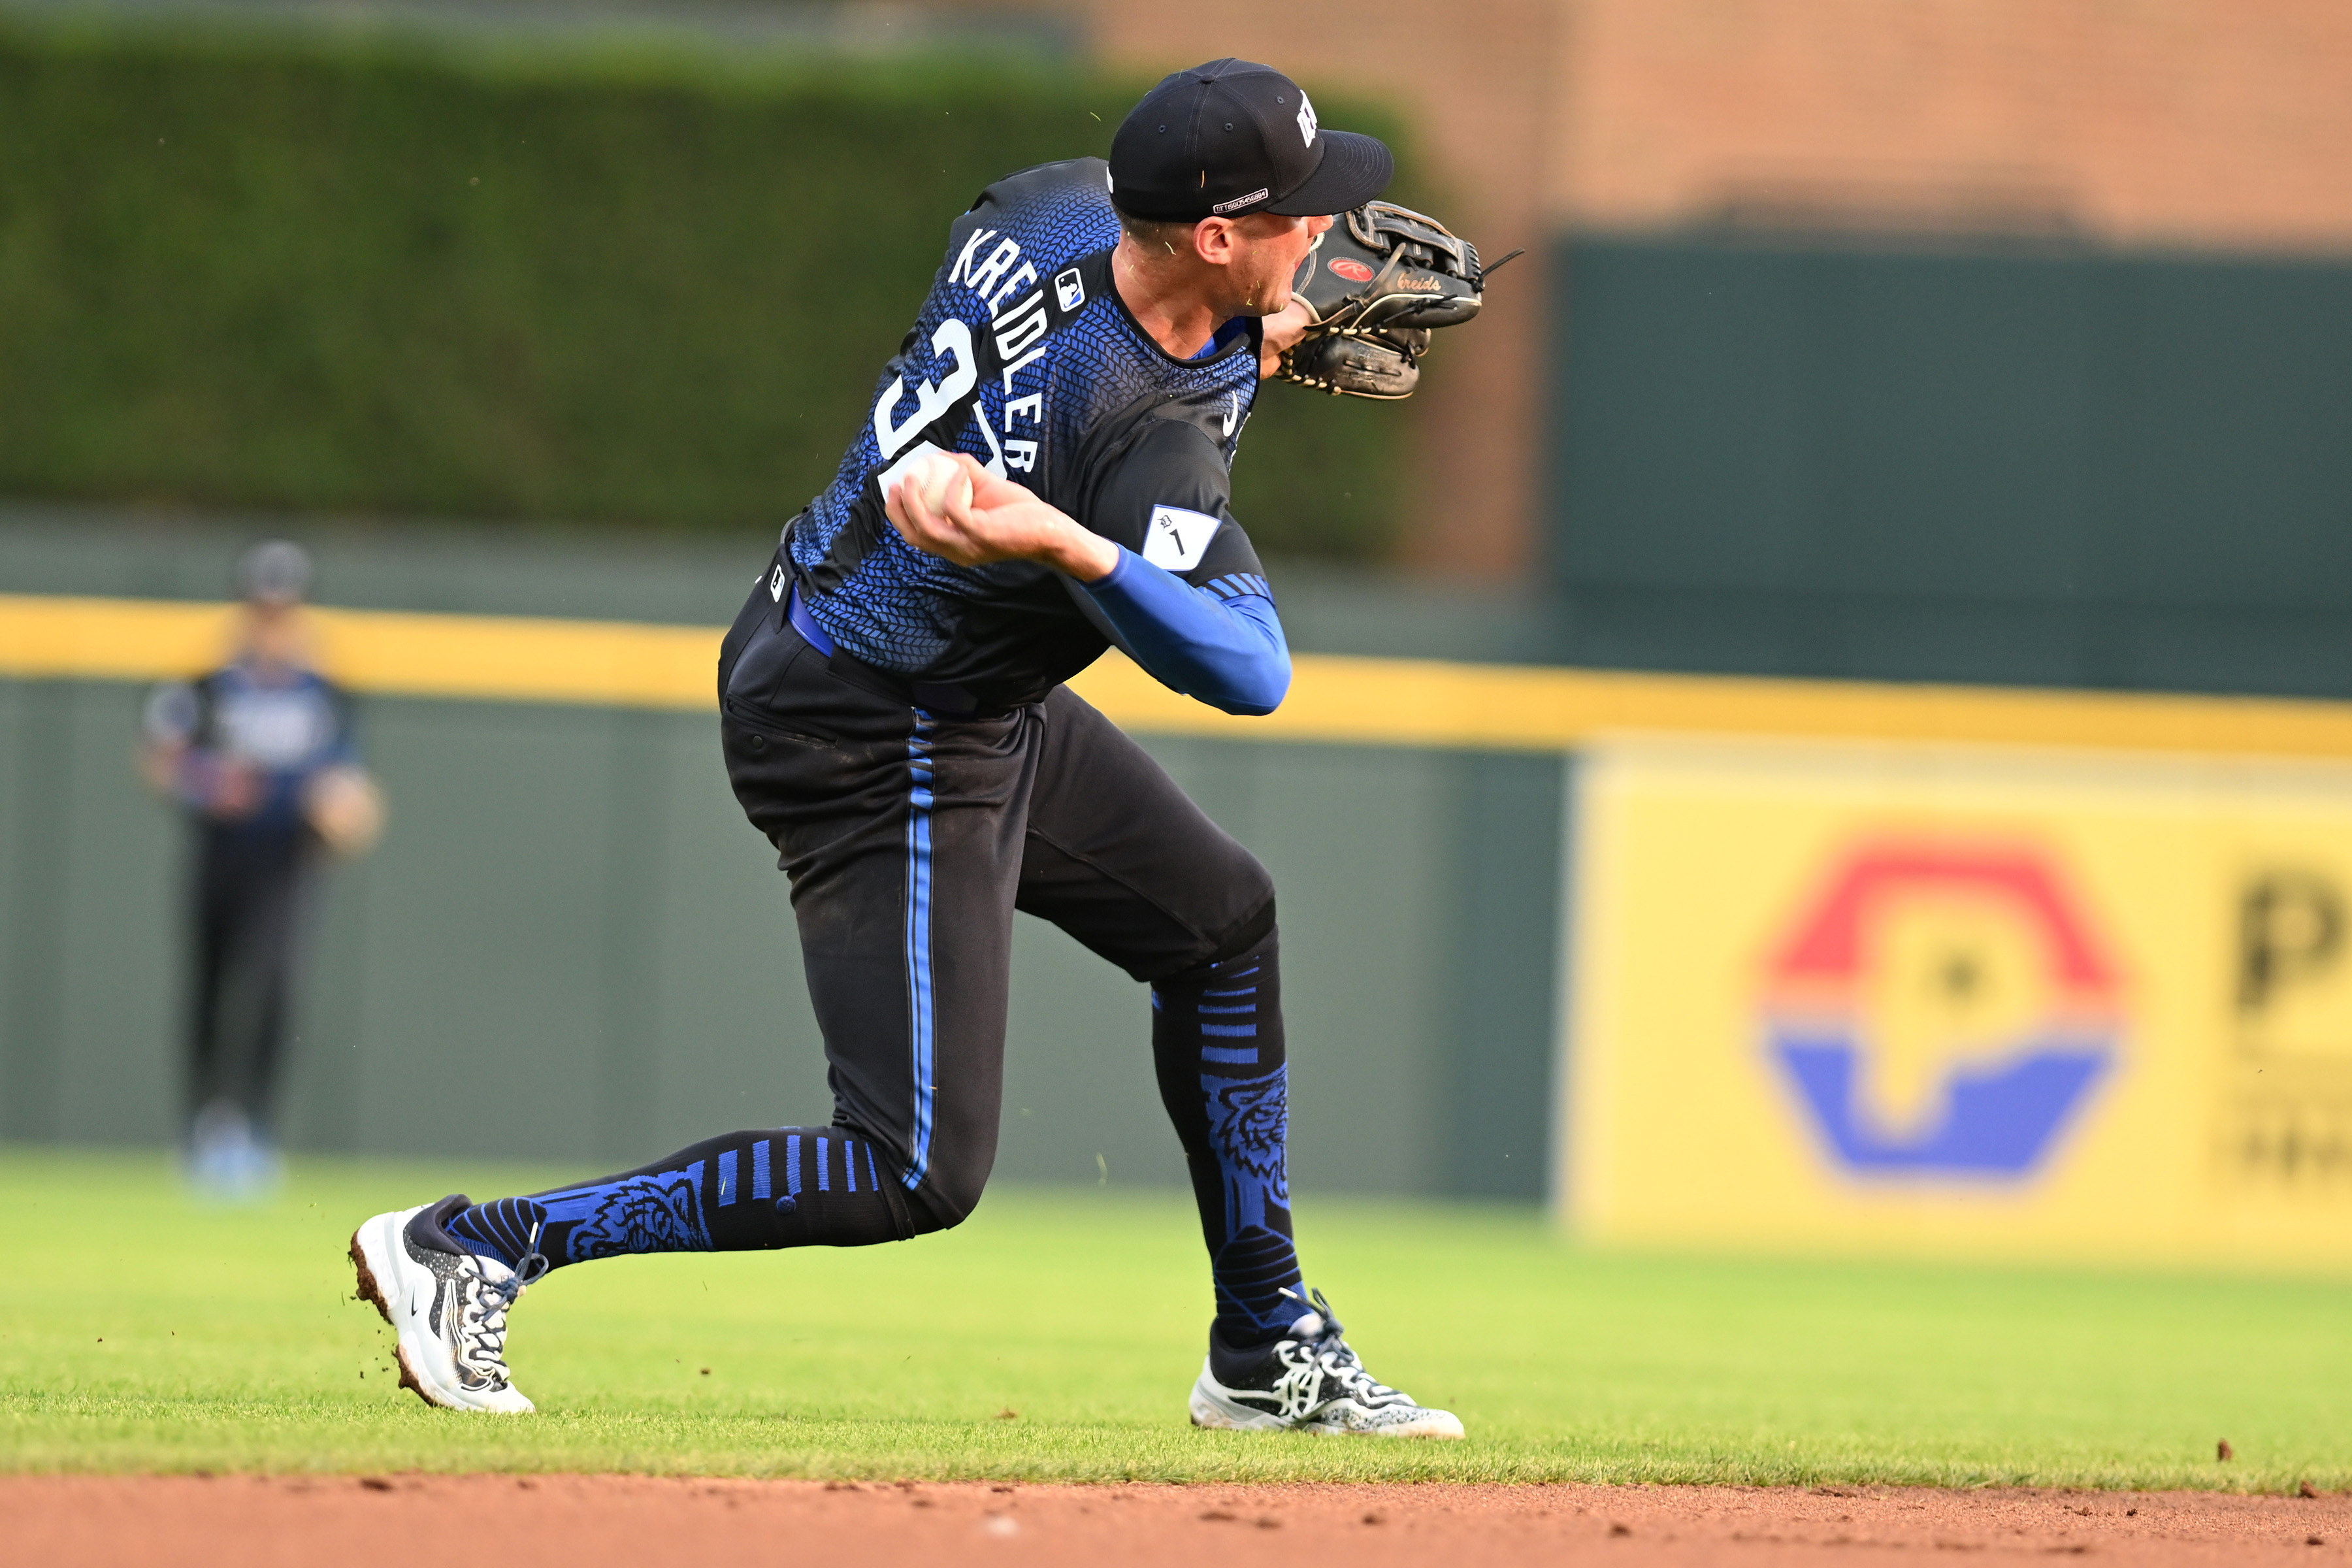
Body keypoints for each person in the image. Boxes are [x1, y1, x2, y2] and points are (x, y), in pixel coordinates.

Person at [349, 59, 1463, 1439]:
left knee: (1224, 921)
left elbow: (1014, 245)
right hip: (874, 729)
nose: (1330, 235)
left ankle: (1264, 1343)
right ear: (1217, 236)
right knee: (910, 1168)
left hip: (915, 669)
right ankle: (482, 1244)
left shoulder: (1060, 209)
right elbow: (1249, 668)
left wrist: (1258, 341)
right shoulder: (1140, 442)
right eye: (1296, 214)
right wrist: (1064, 536)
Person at [142, 540, 382, 1198]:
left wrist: (345, 810)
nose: (273, 619)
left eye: (284, 607)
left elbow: (348, 786)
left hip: (287, 859)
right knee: (211, 987)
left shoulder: (324, 690)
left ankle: (253, 1132)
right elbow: (163, 761)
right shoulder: (208, 684)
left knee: (275, 987)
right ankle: (201, 1128)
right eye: (263, 606)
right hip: (222, 854)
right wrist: (207, 783)